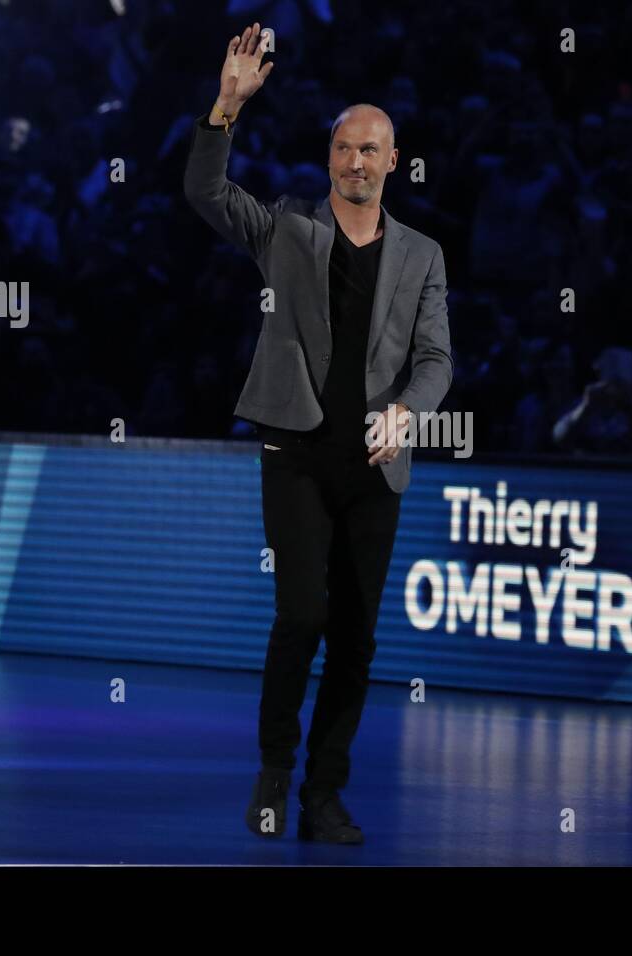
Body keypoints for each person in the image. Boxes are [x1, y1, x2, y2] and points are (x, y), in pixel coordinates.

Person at [183, 23, 452, 844]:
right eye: (343, 148)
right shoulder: (289, 227)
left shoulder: (423, 255)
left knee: (358, 637)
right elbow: (204, 194)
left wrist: (409, 411)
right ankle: (272, 770)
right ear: (329, 156)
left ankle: (322, 793)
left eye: (370, 150)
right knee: (301, 612)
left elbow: (437, 359)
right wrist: (227, 106)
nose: (355, 162)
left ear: (392, 162)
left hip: (375, 465)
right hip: (295, 451)